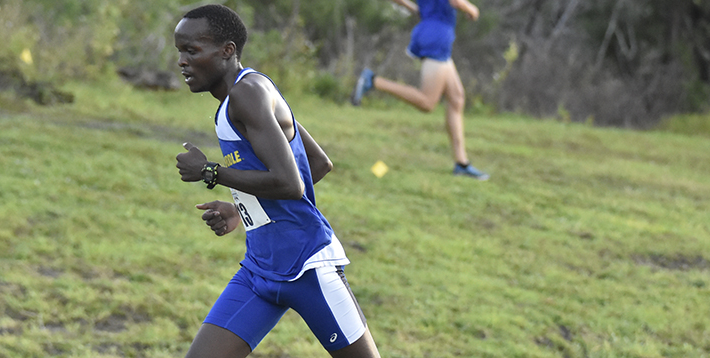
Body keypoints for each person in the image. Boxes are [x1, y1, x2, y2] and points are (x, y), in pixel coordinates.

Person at [173, 4, 382, 358]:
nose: (181, 61)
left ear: (227, 51)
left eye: (192, 51)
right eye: (179, 51)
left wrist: (210, 172)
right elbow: (317, 163)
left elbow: (290, 183)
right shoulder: (247, 91)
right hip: (259, 270)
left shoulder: (247, 94)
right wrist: (242, 210)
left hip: (307, 267)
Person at [351, 0, 489, 180]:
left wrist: (418, 9)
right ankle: (374, 81)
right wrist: (470, 8)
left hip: (433, 31)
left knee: (456, 98)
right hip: (437, 36)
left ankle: (461, 163)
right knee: (427, 102)